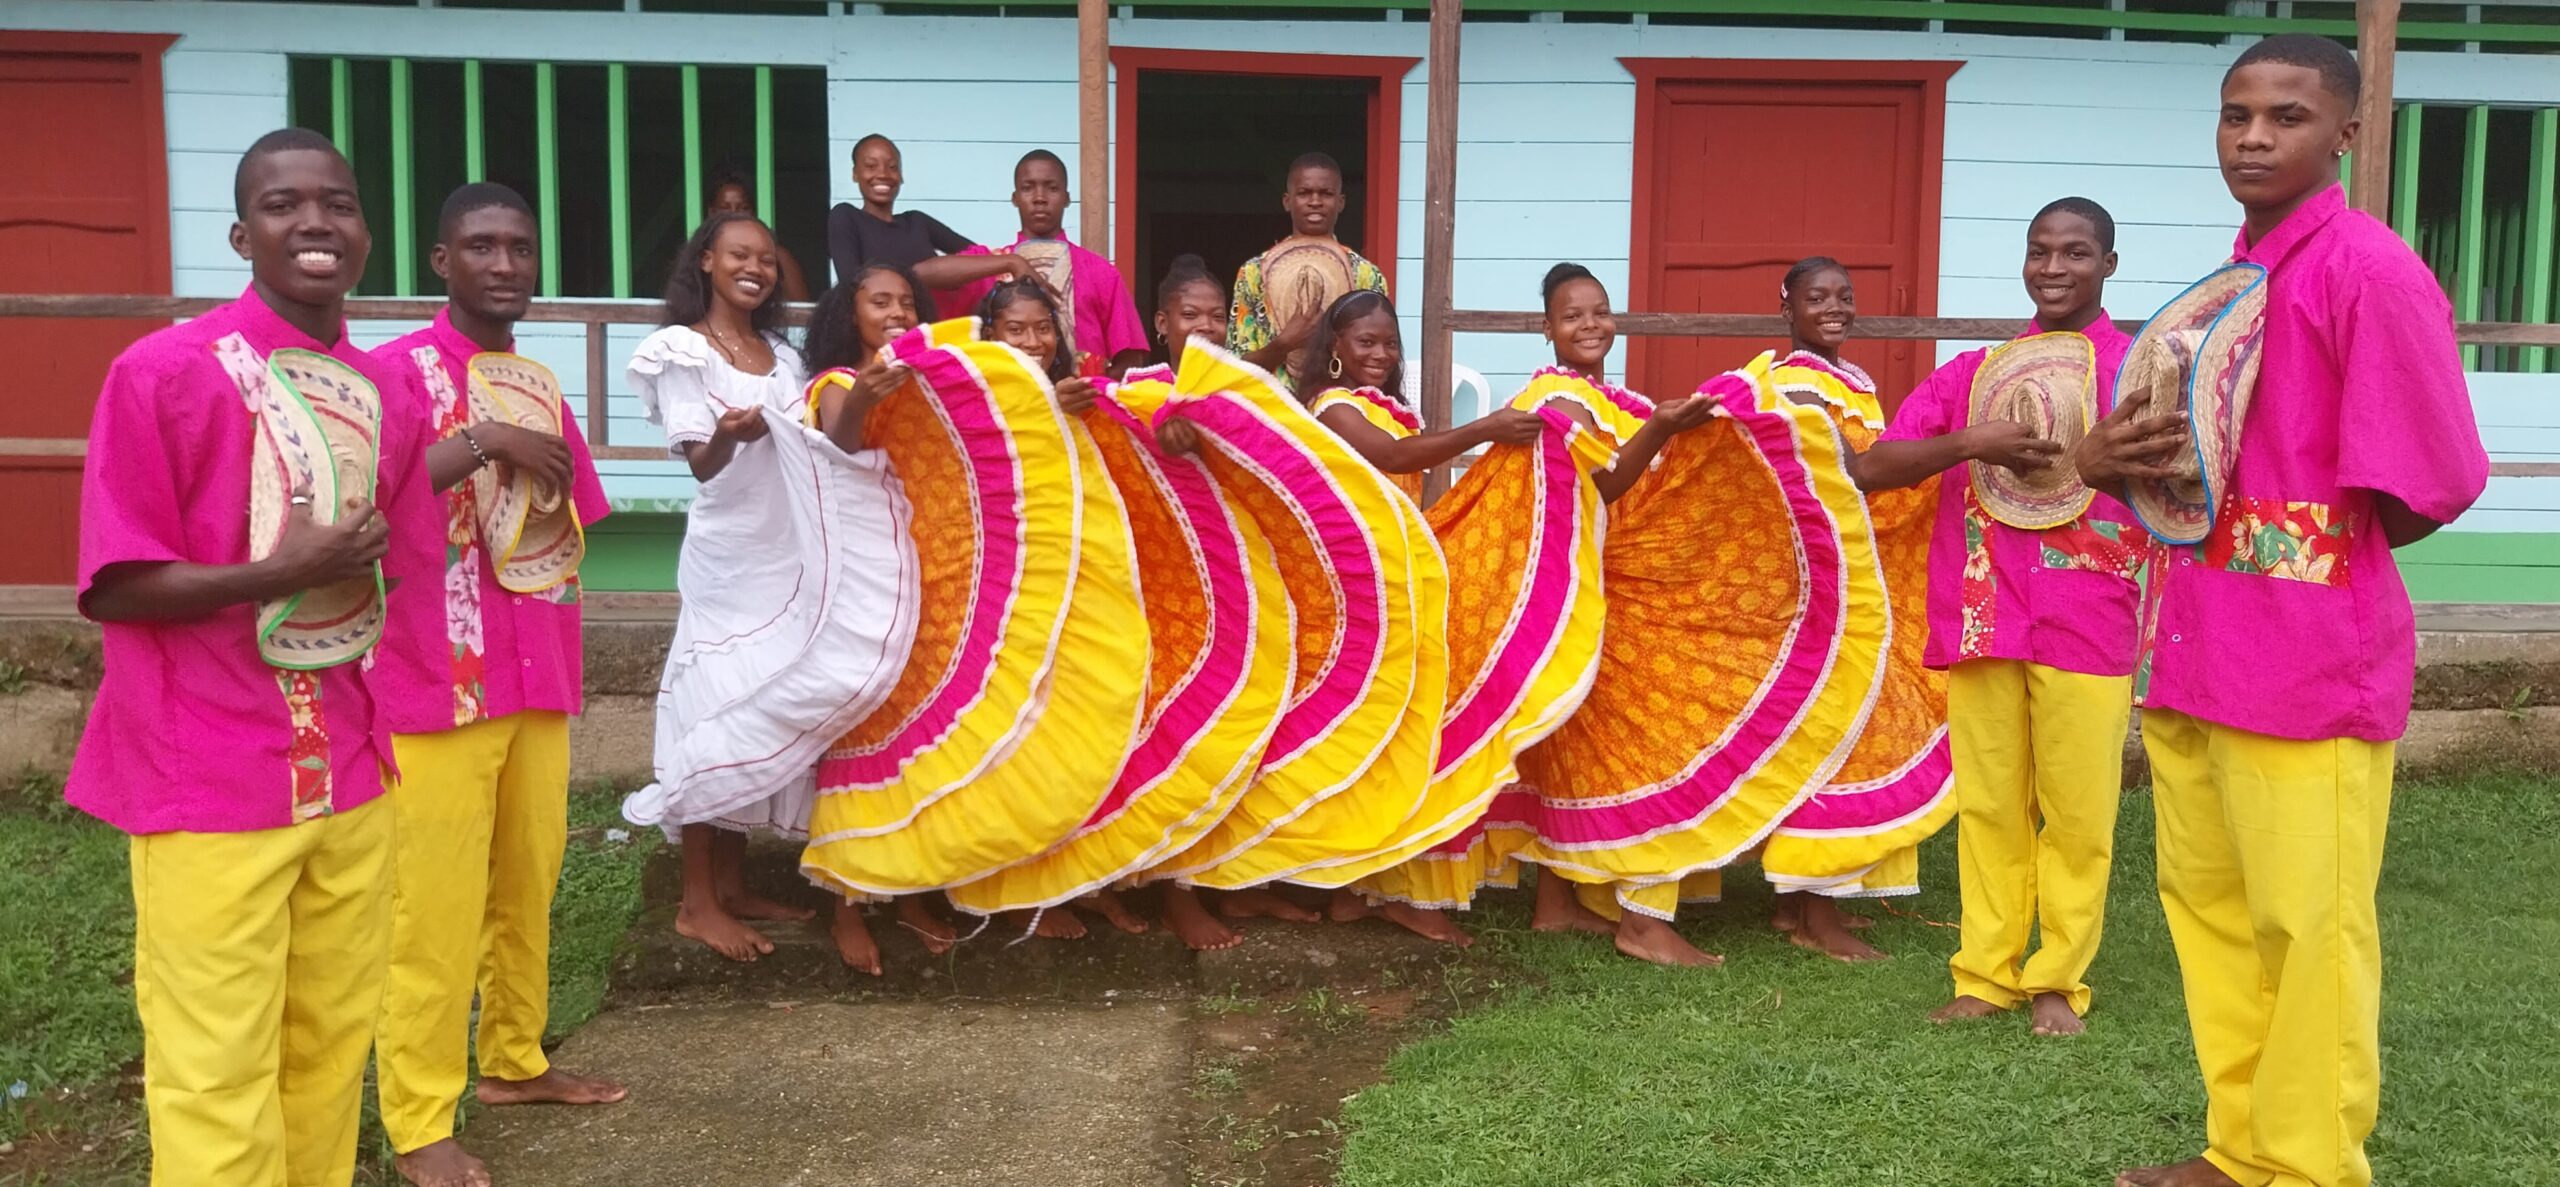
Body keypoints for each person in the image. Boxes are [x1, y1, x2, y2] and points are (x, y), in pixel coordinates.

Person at [2080, 35, 2488, 1187]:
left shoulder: (2367, 272)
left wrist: (2306, 561)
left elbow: (2432, 481)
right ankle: (2243, 1147)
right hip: (2193, 646)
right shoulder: (2237, 277)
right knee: (2212, 914)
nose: (2253, 136)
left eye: (2286, 116)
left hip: (2305, 665)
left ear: (2345, 134)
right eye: (2236, 114)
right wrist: (2105, 465)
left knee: (2309, 930)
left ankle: (2309, 1165)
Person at [68, 127, 433, 1187]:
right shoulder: (163, 373)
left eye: (338, 203)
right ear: (241, 235)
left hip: (349, 773)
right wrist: (276, 571)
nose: (316, 222)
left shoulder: (384, 390)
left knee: (327, 1056)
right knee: (215, 1069)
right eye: (283, 204)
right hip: (207, 777)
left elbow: (395, 574)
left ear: (365, 232)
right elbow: (115, 585)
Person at [368, 183, 626, 1187]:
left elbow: (573, 511)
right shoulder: (395, 375)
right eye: (482, 246)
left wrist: (522, 437)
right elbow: (370, 499)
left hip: (536, 670)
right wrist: (485, 441)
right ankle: (419, 1119)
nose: (505, 263)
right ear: (443, 261)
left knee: (527, 881)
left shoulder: (535, 381)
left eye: (520, 246)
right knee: (431, 910)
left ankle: (515, 1058)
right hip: (435, 679)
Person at [1843, 199, 2141, 1035]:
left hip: (2090, 615)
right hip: (1983, 612)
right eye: (2040, 251)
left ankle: (2058, 980)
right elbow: (1872, 466)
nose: (2054, 268)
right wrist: (1974, 442)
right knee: (1991, 807)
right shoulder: (1972, 376)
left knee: (2079, 814)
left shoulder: (2136, 373)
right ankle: (1985, 972)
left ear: (2108, 265)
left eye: (2075, 253)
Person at [797, 274, 1148, 938]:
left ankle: (932, 888)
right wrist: (866, 394)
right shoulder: (841, 381)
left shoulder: (950, 380)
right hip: (880, 577)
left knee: (978, 734)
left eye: (907, 303)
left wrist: (1059, 409)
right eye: (880, 302)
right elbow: (839, 441)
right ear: (850, 313)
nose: (897, 312)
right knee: (877, 728)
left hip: (969, 577)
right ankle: (849, 901)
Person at [620, 211, 922, 964]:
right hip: (729, 556)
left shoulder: (784, 357)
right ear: (707, 262)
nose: (754, 268)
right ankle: (696, 902)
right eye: (738, 256)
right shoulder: (683, 348)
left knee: (758, 700)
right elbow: (702, 464)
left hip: (786, 549)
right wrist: (730, 431)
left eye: (765, 259)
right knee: (713, 708)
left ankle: (731, 882)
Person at [1747, 258, 1957, 964]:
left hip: (1847, 569)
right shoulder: (1798, 387)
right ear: (1787, 308)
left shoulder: (1845, 380)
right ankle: (1817, 910)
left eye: (1844, 296)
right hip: (1823, 579)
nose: (1834, 308)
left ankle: (1795, 903)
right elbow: (1849, 478)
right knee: (1840, 733)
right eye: (1817, 298)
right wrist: (1961, 450)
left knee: (1830, 727)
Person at [941, 150, 1150, 377]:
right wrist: (1012, 262)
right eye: (1028, 188)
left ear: (1067, 198)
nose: (1039, 198)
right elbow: (922, 274)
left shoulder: (1099, 272)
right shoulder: (992, 263)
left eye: (1052, 188)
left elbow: (1131, 360)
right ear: (1015, 198)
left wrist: (1089, 391)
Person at [1228, 152, 1391, 377]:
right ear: (1287, 201)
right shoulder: (1254, 272)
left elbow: (1376, 356)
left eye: (1326, 194)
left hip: (1337, 397)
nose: (1315, 202)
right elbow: (1234, 367)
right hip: (1269, 398)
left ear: (1341, 202)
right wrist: (1285, 343)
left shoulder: (1366, 274)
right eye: (1304, 193)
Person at [823, 132, 1042, 299]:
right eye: (871, 166)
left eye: (892, 167)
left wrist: (1013, 262)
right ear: (855, 174)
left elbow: (977, 257)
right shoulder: (846, 217)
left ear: (901, 176)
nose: (883, 174)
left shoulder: (916, 221)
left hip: (932, 327)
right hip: (881, 330)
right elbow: (850, 286)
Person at [708, 170, 811, 301]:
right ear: (712, 212)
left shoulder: (778, 255)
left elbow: (800, 308)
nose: (734, 214)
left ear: (753, 212)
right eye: (725, 208)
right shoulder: (700, 254)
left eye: (743, 208)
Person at [1153, 252, 1230, 362]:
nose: (1206, 326)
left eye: (1218, 316)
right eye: (1190, 314)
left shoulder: (1248, 374)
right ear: (1163, 323)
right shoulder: (1141, 375)